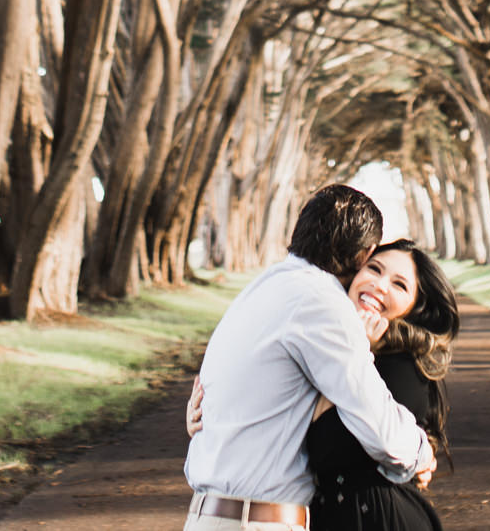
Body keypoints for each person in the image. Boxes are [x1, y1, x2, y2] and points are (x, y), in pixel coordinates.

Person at [184, 186, 436, 530]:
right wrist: (421, 453)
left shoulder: (260, 289)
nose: (379, 285)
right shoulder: (321, 305)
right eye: (374, 265)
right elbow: (381, 430)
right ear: (363, 254)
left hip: (206, 516)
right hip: (259, 522)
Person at [305, 239, 460, 531]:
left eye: (399, 285)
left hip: (380, 520)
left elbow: (329, 448)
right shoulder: (318, 341)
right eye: (374, 269)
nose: (380, 285)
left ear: (415, 307)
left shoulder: (401, 367)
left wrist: (357, 353)